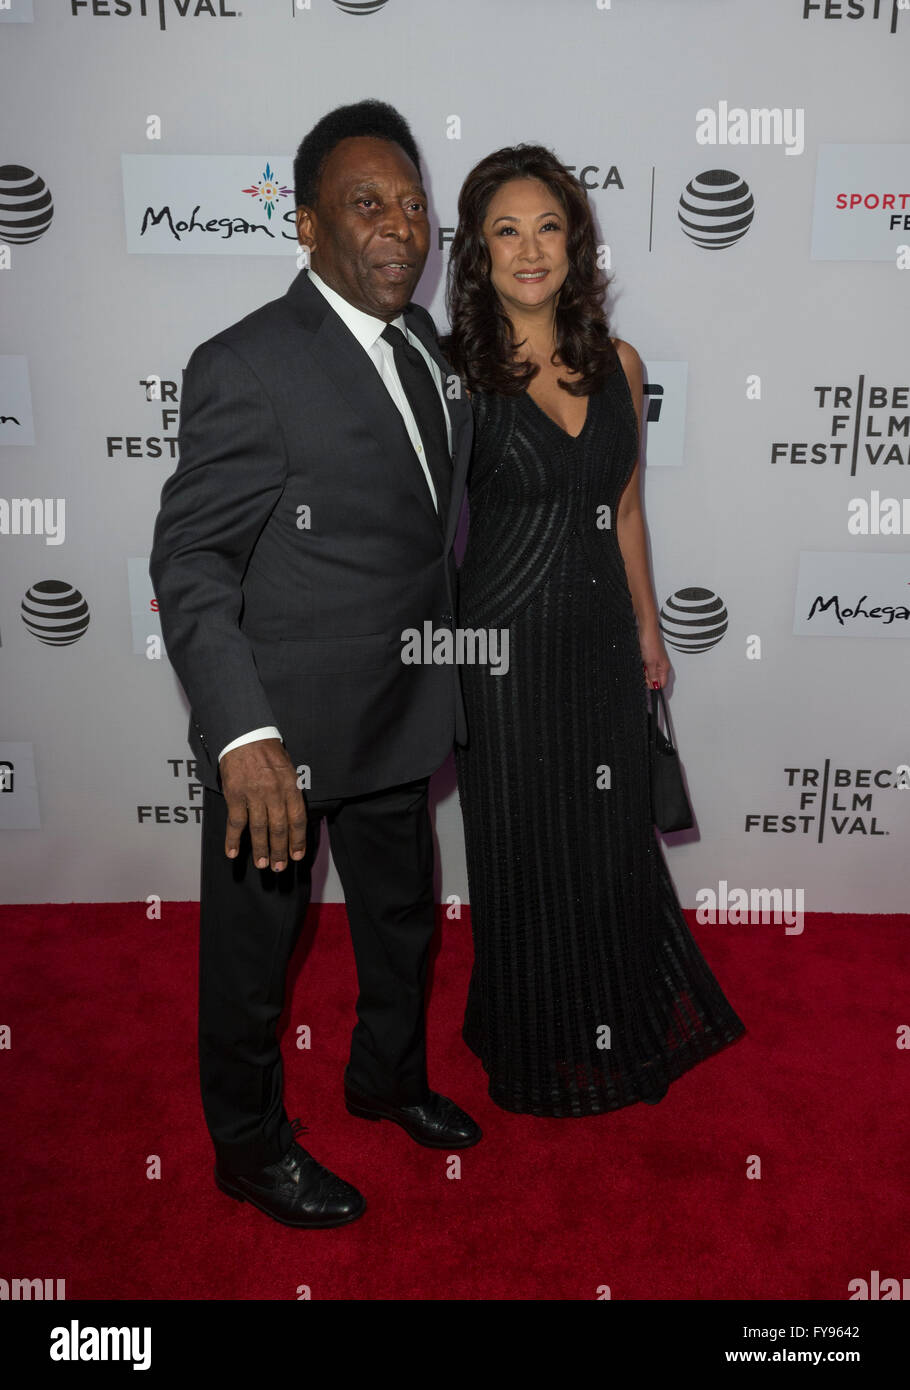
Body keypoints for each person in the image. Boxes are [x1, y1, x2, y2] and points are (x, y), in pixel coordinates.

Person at [149, 99, 479, 1230]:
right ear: (305, 224)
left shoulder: (427, 345)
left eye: (411, 203)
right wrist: (242, 735)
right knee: (254, 962)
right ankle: (247, 1150)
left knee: (402, 921)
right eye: (364, 205)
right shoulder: (247, 363)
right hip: (280, 740)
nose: (400, 228)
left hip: (399, 710)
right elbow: (191, 557)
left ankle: (384, 1077)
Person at [445, 144, 746, 1117]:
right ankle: (535, 1033)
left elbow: (625, 512)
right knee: (524, 845)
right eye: (506, 229)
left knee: (609, 841)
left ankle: (613, 1011)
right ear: (478, 251)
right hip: (505, 660)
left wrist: (650, 634)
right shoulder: (455, 376)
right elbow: (424, 537)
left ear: (574, 243)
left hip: (604, 649)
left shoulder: (618, 363)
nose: (529, 249)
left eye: (547, 226)